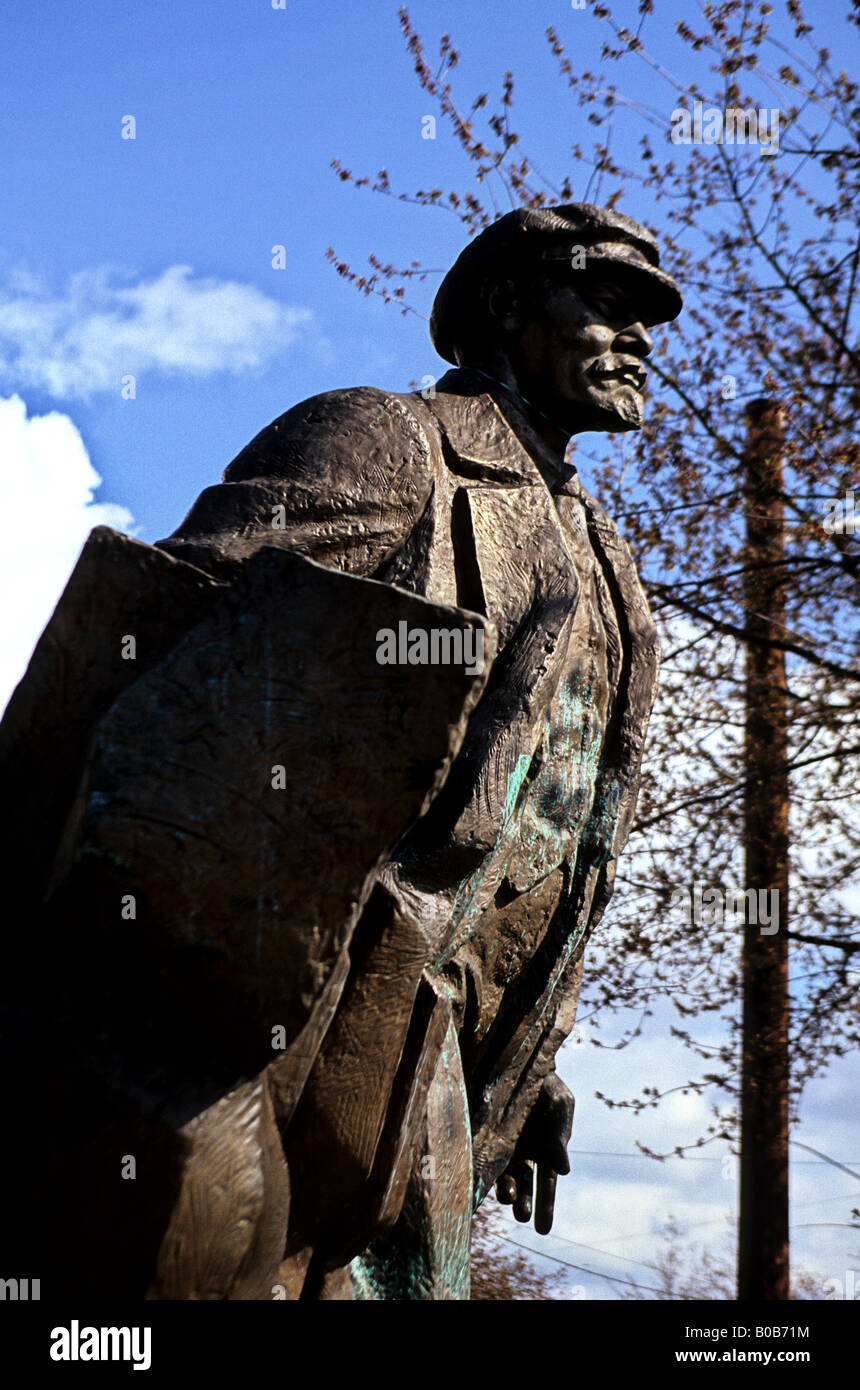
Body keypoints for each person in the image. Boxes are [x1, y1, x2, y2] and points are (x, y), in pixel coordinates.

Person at [148, 202, 682, 1298]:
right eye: (606, 306)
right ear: (505, 306)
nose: (638, 341)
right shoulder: (384, 443)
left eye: (649, 319)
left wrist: (532, 1053)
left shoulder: (609, 564)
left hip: (462, 1041)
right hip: (313, 1000)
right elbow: (164, 634)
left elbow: (557, 825)